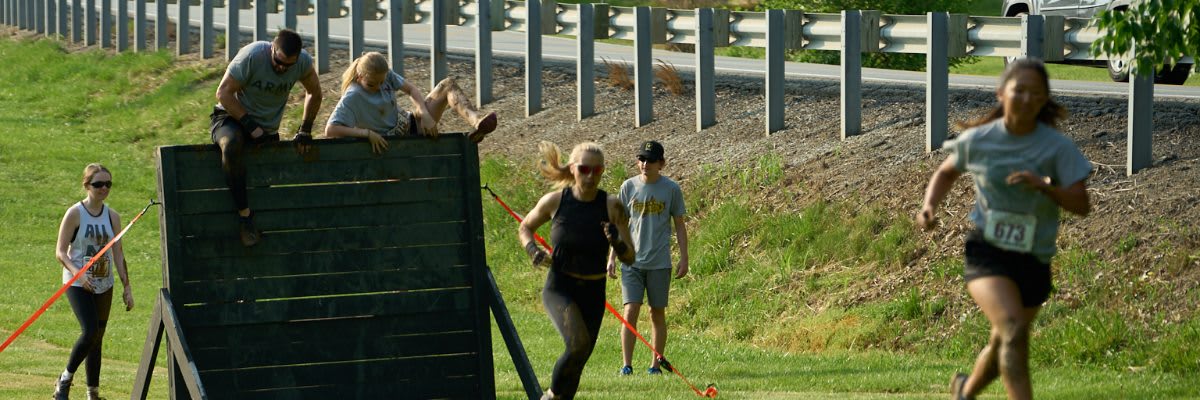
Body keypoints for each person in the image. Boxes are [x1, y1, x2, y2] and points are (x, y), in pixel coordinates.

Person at [916, 58, 1092, 400]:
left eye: (1036, 93)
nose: (1027, 99)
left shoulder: (1057, 147)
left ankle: (965, 391)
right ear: (1001, 93)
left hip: (1034, 256)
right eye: (1019, 90)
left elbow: (1081, 205)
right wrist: (929, 207)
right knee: (1012, 330)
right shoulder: (979, 139)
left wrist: (1045, 187)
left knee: (1003, 340)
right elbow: (946, 172)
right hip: (988, 251)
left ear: (1044, 100)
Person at [518, 141, 635, 400]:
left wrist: (616, 241)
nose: (590, 176)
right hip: (560, 288)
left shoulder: (612, 206)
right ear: (572, 169)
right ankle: (548, 397)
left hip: (594, 292)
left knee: (578, 359)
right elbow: (525, 227)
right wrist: (533, 251)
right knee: (578, 344)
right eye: (584, 169)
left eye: (597, 170)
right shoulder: (555, 201)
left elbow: (630, 257)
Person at [211, 28, 323, 246]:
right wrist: (251, 126)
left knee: (264, 184)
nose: (282, 68)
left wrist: (305, 129)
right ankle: (245, 216)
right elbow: (223, 93)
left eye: (288, 65)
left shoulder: (303, 63)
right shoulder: (253, 55)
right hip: (231, 117)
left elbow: (315, 93)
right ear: (272, 47)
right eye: (278, 61)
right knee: (232, 146)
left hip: (267, 129)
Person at [52, 164, 135, 400]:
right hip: (77, 282)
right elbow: (60, 252)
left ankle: (93, 393)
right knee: (90, 331)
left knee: (98, 338)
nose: (104, 188)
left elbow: (118, 253)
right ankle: (64, 380)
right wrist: (78, 273)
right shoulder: (75, 213)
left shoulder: (113, 216)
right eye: (98, 184)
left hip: (104, 283)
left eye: (108, 184)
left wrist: (127, 287)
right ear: (87, 185)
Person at [606, 140, 689, 376]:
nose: (645, 164)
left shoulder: (671, 189)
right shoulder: (628, 187)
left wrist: (684, 258)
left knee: (656, 312)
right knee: (630, 310)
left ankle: (655, 365)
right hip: (631, 262)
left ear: (661, 163)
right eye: (641, 159)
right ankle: (627, 365)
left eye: (651, 160)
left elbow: (680, 226)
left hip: (660, 263)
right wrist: (612, 257)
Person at [324, 51, 498, 153]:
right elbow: (330, 130)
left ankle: (476, 122)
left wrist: (423, 113)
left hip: (411, 124)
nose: (378, 87)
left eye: (381, 82)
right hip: (392, 146)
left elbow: (411, 90)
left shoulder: (385, 75)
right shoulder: (352, 96)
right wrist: (367, 134)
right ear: (360, 77)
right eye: (371, 84)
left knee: (448, 84)